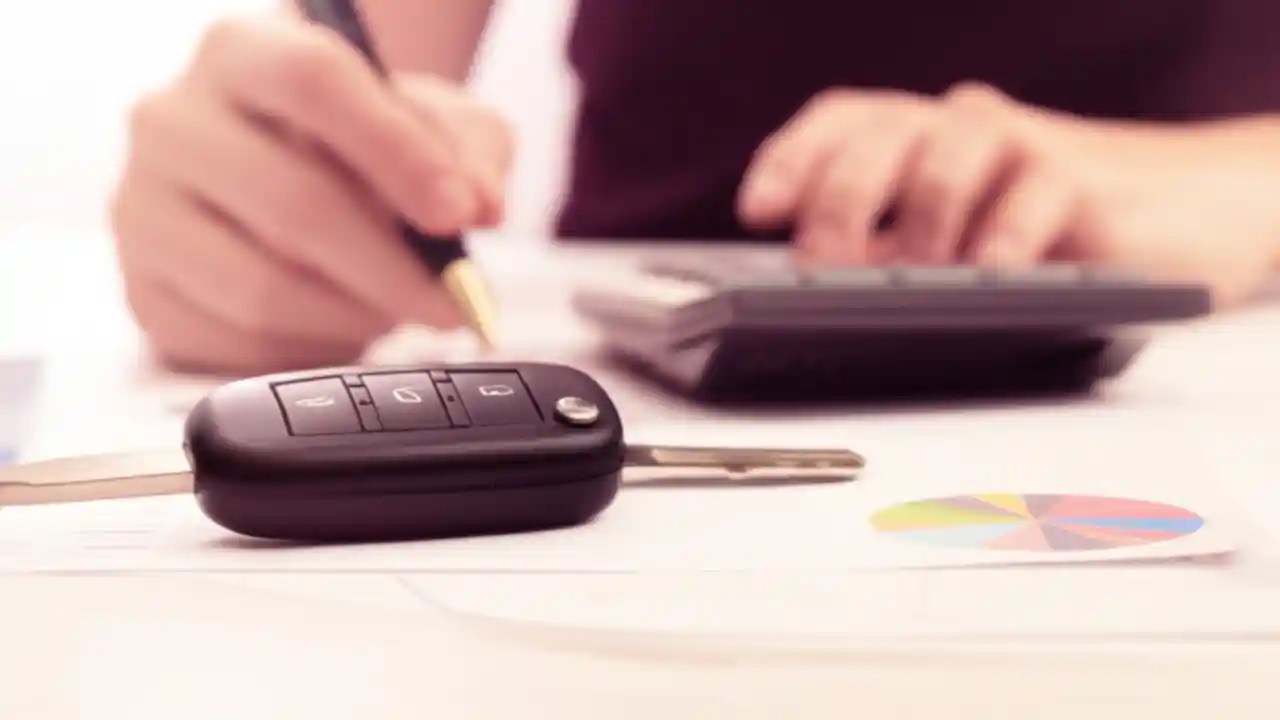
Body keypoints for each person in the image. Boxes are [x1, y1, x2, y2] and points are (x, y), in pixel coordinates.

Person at [110, 0, 1280, 373]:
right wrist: (262, 186)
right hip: (620, 361)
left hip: (1201, 371)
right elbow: (350, 85)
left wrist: (1226, 176)